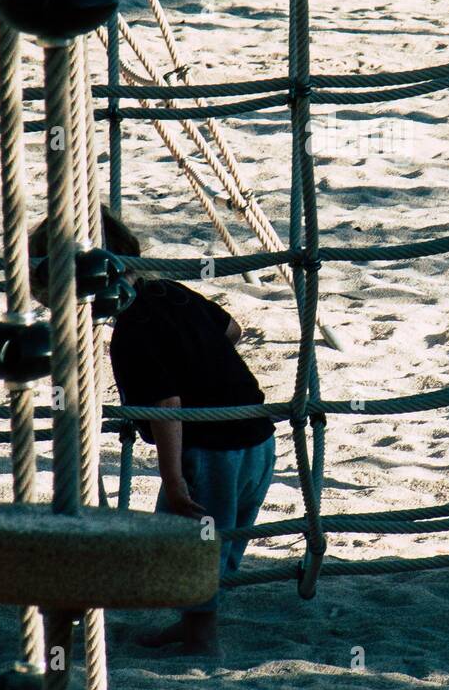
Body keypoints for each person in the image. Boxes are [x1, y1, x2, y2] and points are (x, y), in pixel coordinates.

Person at [30, 208, 275, 654]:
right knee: (217, 538)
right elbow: (232, 329)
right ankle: (192, 622)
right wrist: (198, 360)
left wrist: (174, 479)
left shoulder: (132, 332)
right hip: (257, 435)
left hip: (209, 450)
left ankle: (201, 637)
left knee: (187, 542)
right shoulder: (169, 291)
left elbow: (167, 407)